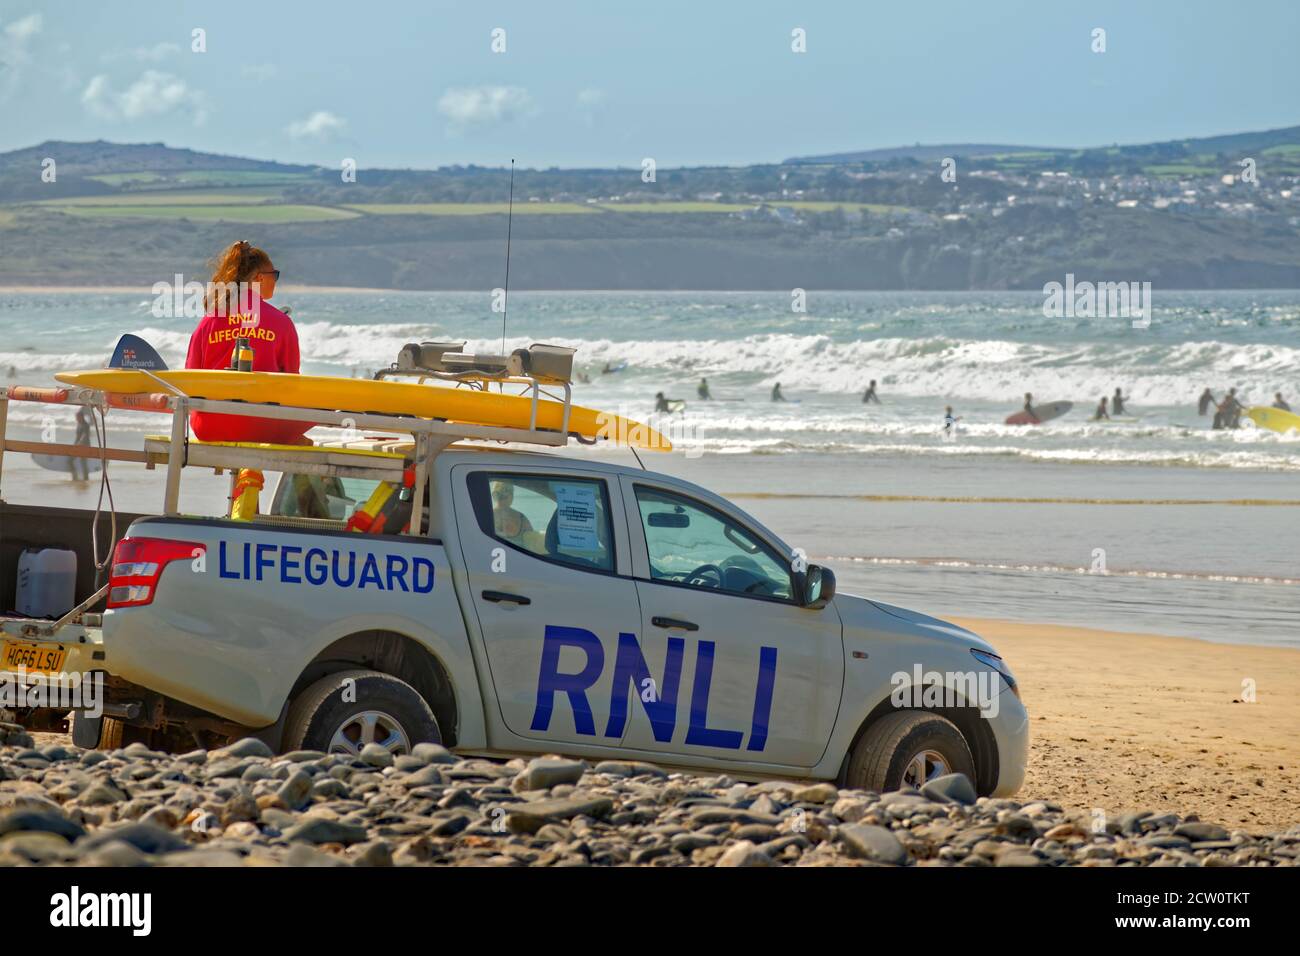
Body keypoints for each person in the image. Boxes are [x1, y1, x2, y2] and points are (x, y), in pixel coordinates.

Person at [185, 240, 307, 446]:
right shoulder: (281, 322)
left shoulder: (209, 320)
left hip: (208, 427)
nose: (276, 281)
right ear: (260, 278)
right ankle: (254, 471)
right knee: (324, 413)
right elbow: (290, 382)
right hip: (261, 426)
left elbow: (190, 375)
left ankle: (249, 472)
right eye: (274, 275)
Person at [491, 480, 533, 545]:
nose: (502, 499)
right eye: (502, 496)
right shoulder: (522, 518)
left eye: (504, 496)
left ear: (494, 496)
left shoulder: (487, 516)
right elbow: (532, 541)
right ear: (511, 496)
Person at [71, 405, 93, 481]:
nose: (76, 419)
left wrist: (80, 443)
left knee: (83, 462)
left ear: (81, 417)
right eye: (76, 417)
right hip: (78, 446)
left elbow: (85, 435)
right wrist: (74, 445)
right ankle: (75, 477)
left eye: (77, 417)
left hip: (85, 446)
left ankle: (85, 478)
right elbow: (77, 437)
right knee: (71, 460)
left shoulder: (86, 425)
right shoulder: (79, 424)